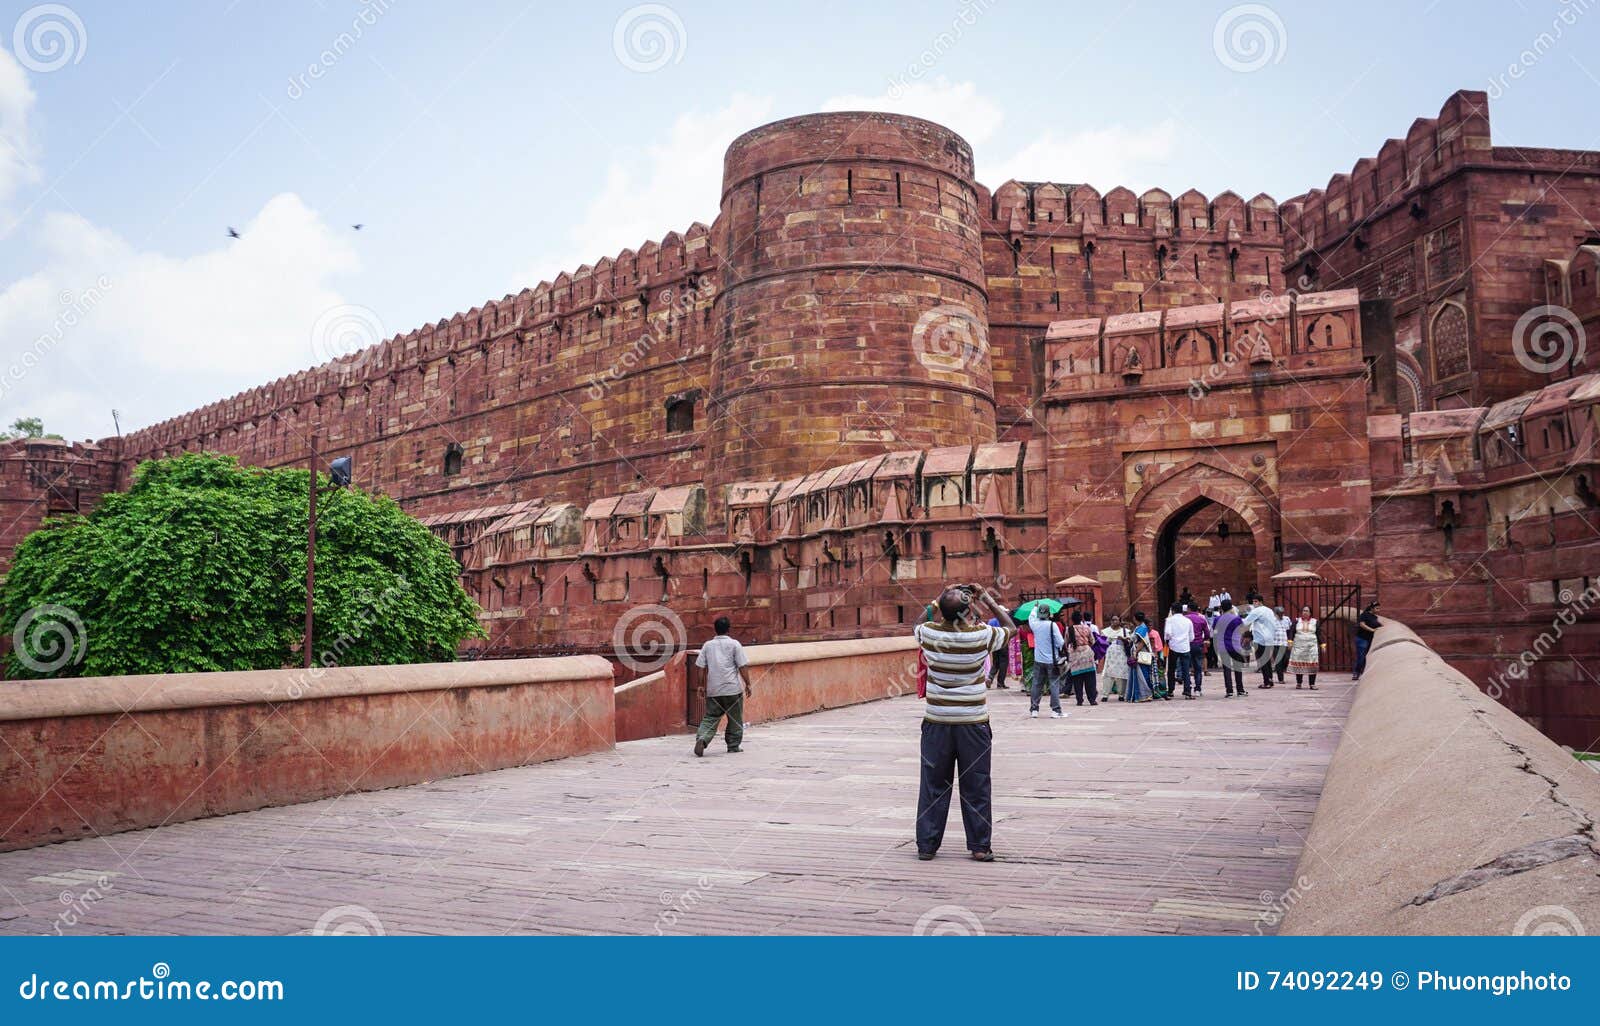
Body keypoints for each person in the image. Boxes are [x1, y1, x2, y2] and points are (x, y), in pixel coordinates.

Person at [914, 584, 1013, 862]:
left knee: (933, 784)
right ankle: (979, 846)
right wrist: (987, 598)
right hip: (973, 724)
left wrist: (940, 596)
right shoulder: (981, 636)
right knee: (976, 784)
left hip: (937, 723)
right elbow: (1011, 628)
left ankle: (927, 845)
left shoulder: (930, 634)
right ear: (969, 611)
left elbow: (916, 624)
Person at [693, 617, 752, 757]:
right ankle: (733, 746)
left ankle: (702, 738)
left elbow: (701, 667)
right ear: (728, 629)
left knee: (710, 717)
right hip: (732, 690)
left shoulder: (707, 645)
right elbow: (742, 666)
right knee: (735, 719)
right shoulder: (735, 644)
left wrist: (700, 685)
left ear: (715, 629)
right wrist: (748, 683)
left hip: (714, 690)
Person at [1027, 603, 1066, 719]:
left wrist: (1035, 607)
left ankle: (1034, 709)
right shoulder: (1052, 625)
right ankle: (1055, 710)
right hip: (1052, 660)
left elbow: (1031, 617)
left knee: (1036, 684)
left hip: (1038, 659)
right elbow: (1060, 642)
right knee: (1054, 684)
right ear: (1049, 614)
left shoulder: (1034, 624)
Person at [1211, 599, 1249, 698]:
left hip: (1223, 646)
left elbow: (1215, 631)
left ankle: (1229, 691)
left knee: (1226, 669)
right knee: (1238, 668)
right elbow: (1242, 630)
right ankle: (1240, 690)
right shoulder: (1237, 619)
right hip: (1235, 646)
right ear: (1231, 607)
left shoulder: (1217, 619)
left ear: (1221, 608)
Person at [1241, 594, 1279, 689]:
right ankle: (1270, 679)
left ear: (1260, 602)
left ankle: (1266, 682)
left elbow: (1246, 622)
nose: (1254, 603)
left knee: (1262, 661)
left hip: (1260, 639)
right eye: (1253, 601)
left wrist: (1236, 619)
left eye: (1256, 601)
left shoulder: (1257, 611)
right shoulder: (1269, 610)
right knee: (1267, 660)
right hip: (1269, 638)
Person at [1065, 609, 1098, 706]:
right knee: (1090, 678)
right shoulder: (1087, 628)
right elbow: (1092, 641)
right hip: (1087, 653)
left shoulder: (1069, 629)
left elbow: (1066, 643)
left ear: (1072, 619)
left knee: (1077, 678)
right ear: (1081, 619)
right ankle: (1092, 699)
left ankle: (1079, 700)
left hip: (1075, 654)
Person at [1162, 602, 1196, 699]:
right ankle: (1187, 691)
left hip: (1173, 647)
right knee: (1186, 670)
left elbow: (1167, 633)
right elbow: (1192, 637)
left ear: (1172, 610)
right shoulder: (1188, 621)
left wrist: (1168, 640)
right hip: (1185, 647)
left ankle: (1170, 690)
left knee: (1171, 670)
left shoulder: (1169, 620)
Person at [1288, 605, 1320, 689]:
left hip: (1311, 647)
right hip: (1299, 646)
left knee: (1312, 664)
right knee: (1299, 664)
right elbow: (1291, 632)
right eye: (1303, 611)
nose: (1305, 612)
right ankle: (1299, 683)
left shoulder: (1315, 622)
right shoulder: (1296, 621)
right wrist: (1290, 641)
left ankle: (1312, 684)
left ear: (1310, 613)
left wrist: (1322, 644)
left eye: (1307, 611)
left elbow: (1319, 634)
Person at [1100, 614, 1131, 700]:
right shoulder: (1106, 631)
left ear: (1120, 621)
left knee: (1122, 674)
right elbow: (1101, 643)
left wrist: (1123, 639)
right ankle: (1105, 694)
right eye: (1113, 620)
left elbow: (1129, 642)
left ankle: (1121, 694)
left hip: (1121, 654)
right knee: (1108, 674)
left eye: (1116, 620)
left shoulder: (1125, 631)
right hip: (1110, 655)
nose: (1114, 621)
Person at [1126, 611, 1156, 701]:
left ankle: (1145, 694)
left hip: (1141, 653)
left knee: (1143, 674)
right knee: (1139, 674)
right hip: (1138, 651)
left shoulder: (1142, 628)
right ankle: (1140, 694)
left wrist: (1135, 652)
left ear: (1135, 618)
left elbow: (1142, 642)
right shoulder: (1139, 627)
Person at [1184, 603, 1210, 693]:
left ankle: (1187, 688)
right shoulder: (1201, 619)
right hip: (1198, 644)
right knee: (1198, 667)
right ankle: (1198, 688)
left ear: (1189, 609)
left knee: (1186, 666)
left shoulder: (1185, 619)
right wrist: (1205, 639)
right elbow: (1207, 633)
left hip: (1186, 645)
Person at [1353, 601, 1382, 680]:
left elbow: (1379, 625)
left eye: (1379, 608)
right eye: (1377, 608)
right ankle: (1356, 673)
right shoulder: (1364, 615)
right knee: (1361, 657)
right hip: (1362, 639)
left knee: (1366, 657)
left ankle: (1364, 673)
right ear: (1371, 608)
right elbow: (1362, 624)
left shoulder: (1374, 617)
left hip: (1369, 639)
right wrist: (1372, 630)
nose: (1378, 610)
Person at [985, 616, 1010, 689]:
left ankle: (990, 678)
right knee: (1003, 663)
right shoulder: (1004, 621)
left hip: (994, 644)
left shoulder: (991, 621)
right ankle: (1000, 683)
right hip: (1003, 642)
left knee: (995, 663)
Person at [1272, 606, 1292, 685]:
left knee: (1286, 659)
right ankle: (1281, 678)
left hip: (1285, 643)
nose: (1281, 615)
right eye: (1279, 614)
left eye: (1282, 614)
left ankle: (1281, 669)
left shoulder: (1287, 619)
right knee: (1278, 661)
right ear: (1275, 613)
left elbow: (1290, 631)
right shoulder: (1271, 620)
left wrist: (1290, 641)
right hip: (1275, 644)